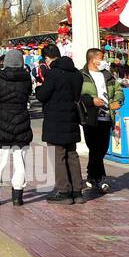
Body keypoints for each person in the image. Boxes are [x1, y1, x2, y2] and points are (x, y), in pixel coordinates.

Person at [0, 50, 34, 206]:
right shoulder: (26, 78)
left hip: (3, 121)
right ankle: (17, 196)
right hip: (22, 121)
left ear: (6, 62)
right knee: (20, 160)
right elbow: (28, 94)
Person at [35, 43, 84, 204]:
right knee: (72, 154)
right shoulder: (76, 73)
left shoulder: (54, 74)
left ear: (47, 58)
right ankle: (77, 190)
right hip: (71, 119)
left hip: (56, 121)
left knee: (58, 155)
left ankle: (63, 190)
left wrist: (38, 88)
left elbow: (43, 95)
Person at [79, 47, 124, 196]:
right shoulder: (82, 76)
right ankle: (101, 178)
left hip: (106, 117)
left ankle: (92, 176)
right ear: (93, 60)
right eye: (101, 58)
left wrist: (118, 101)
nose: (104, 61)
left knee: (102, 148)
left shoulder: (108, 75)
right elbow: (78, 96)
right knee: (95, 147)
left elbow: (118, 90)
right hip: (90, 117)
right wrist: (92, 100)